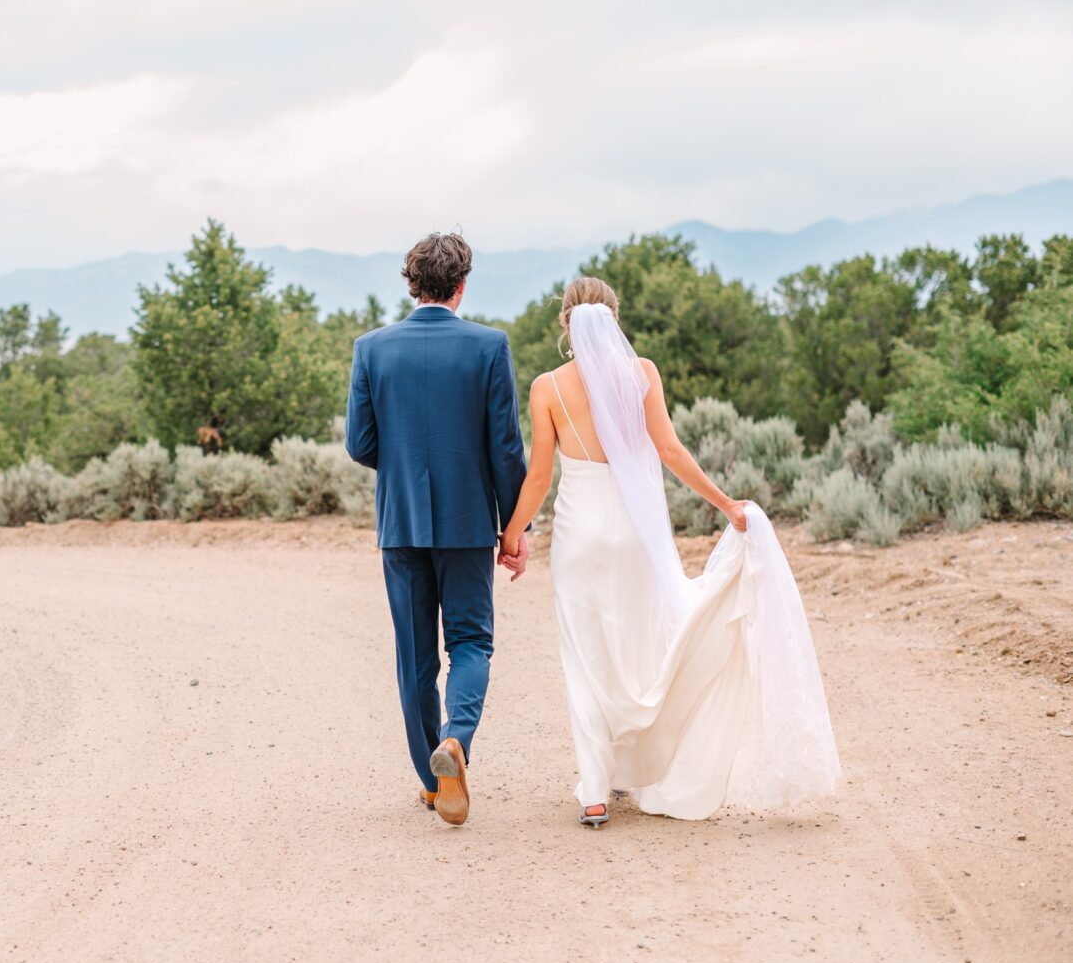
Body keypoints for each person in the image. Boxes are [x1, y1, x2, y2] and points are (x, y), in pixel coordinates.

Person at [501, 277, 840, 825]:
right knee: (637, 649)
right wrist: (726, 504)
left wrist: (512, 534)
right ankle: (636, 766)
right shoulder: (642, 375)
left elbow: (539, 475)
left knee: (584, 659)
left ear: (565, 324)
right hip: (634, 534)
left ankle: (595, 789)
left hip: (579, 537)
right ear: (614, 319)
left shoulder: (547, 387)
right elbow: (669, 449)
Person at [346, 233, 530, 825]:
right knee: (472, 640)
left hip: (400, 523)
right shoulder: (488, 347)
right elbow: (505, 448)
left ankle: (432, 784)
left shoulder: (371, 349)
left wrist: (405, 467)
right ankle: (456, 741)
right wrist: (514, 527)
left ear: (411, 283)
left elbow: (360, 444)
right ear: (462, 285)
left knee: (415, 655)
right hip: (470, 521)